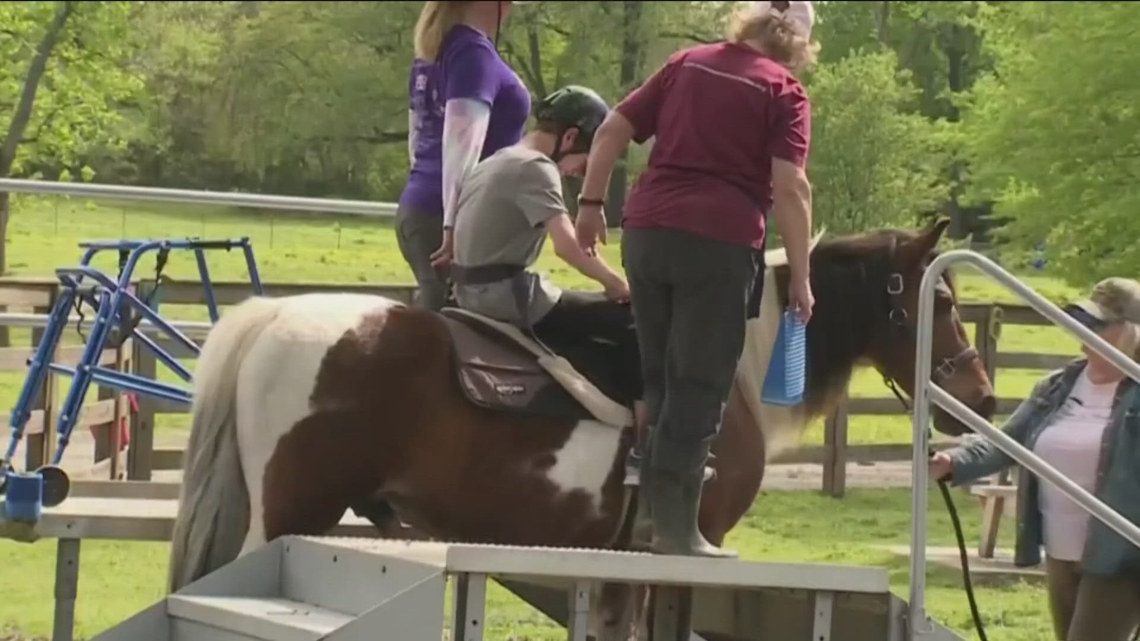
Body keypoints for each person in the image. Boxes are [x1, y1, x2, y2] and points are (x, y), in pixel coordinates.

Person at [573, 0, 819, 558]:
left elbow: (612, 127)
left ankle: (645, 519)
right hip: (720, 242)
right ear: (797, 43)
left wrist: (590, 203)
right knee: (701, 384)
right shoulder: (784, 91)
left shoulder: (687, 62)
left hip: (648, 232)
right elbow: (791, 188)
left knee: (659, 377)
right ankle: (678, 530)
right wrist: (801, 277)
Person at [930, 277, 1140, 641]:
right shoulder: (1059, 385)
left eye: (1099, 325)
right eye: (1083, 322)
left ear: (1131, 332)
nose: (1085, 333)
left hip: (1119, 557)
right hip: (1060, 551)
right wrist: (952, 460)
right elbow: (1008, 441)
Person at [449, 85, 649, 442]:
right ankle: (645, 442)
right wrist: (617, 285)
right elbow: (567, 247)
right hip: (504, 297)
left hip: (467, 291)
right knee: (636, 320)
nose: (579, 171)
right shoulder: (537, 168)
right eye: (584, 160)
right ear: (570, 136)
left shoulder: (495, 160)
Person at [396, 1, 531, 311]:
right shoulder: (474, 53)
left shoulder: (433, 50)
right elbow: (462, 144)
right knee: (451, 330)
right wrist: (452, 225)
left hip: (418, 207)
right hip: (449, 218)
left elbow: (416, 137)